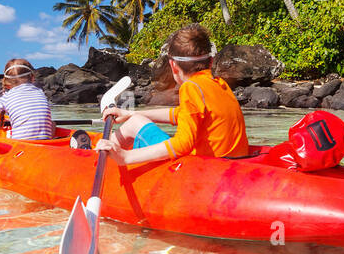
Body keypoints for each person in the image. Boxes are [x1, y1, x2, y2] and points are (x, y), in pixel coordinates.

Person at [95, 24, 248, 166]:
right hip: (232, 164)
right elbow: (181, 114)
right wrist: (129, 113)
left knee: (135, 123)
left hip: (205, 168)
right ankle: (103, 151)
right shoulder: (218, 83)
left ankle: (94, 159)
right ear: (211, 61)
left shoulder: (191, 87)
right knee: (134, 118)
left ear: (173, 65)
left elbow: (183, 144)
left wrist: (125, 157)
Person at [0, 58, 55, 140]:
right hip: (45, 141)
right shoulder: (40, 92)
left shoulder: (7, 98)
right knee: (52, 124)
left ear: (7, 83)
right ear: (32, 77)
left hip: (21, 144)